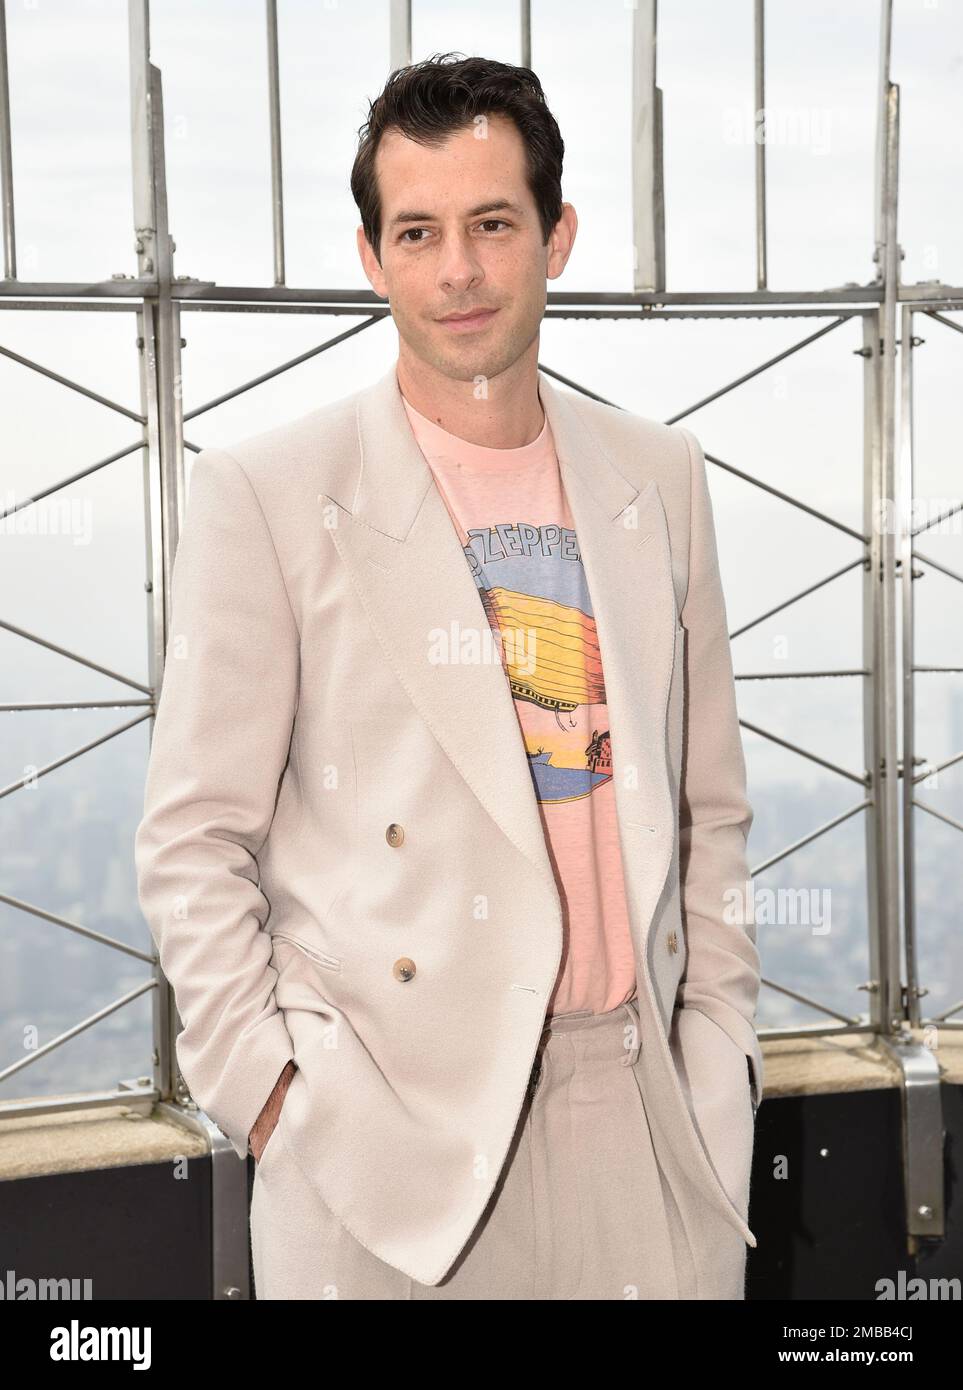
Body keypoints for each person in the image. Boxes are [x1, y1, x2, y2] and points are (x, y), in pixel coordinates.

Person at [134, 52, 763, 1301]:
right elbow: (194, 836)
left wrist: (719, 1063)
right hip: (389, 1151)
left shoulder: (663, 476)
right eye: (416, 232)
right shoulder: (268, 492)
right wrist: (276, 1101)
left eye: (492, 224)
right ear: (372, 257)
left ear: (557, 235)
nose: (458, 270)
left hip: (645, 1127)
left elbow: (713, 811)